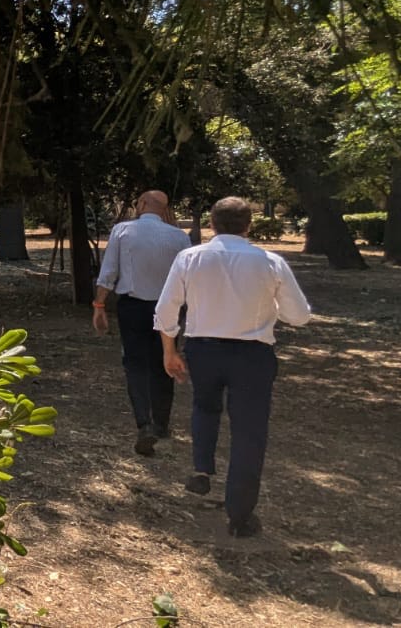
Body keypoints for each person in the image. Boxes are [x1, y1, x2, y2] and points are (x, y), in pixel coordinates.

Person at [155, 196, 311, 539]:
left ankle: (202, 467)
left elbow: (167, 310)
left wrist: (170, 350)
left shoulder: (190, 258)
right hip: (252, 355)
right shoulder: (270, 262)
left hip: (203, 349)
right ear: (249, 225)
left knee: (204, 405)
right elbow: (299, 316)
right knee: (249, 432)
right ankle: (240, 514)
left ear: (212, 224)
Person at [93, 190, 191, 456]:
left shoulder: (123, 230)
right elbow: (188, 277)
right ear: (164, 209)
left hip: (133, 306)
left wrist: (99, 305)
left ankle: (143, 422)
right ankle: (161, 423)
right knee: (165, 361)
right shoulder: (180, 237)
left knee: (135, 364)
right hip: (168, 308)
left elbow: (109, 271)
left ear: (143, 204)